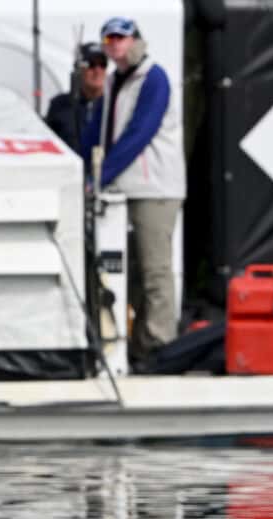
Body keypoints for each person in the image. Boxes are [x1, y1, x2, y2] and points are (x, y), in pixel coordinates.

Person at [86, 16, 185, 367]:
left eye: (121, 38)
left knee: (155, 268)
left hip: (155, 186)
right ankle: (139, 347)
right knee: (126, 271)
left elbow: (139, 133)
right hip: (122, 188)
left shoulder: (154, 78)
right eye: (109, 38)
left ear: (136, 41)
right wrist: (84, 171)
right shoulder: (114, 82)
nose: (114, 44)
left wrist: (100, 176)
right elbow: (97, 133)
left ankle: (161, 345)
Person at [44, 43, 107, 161]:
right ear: (78, 69)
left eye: (102, 64)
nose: (97, 70)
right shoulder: (59, 105)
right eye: (91, 64)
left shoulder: (113, 105)